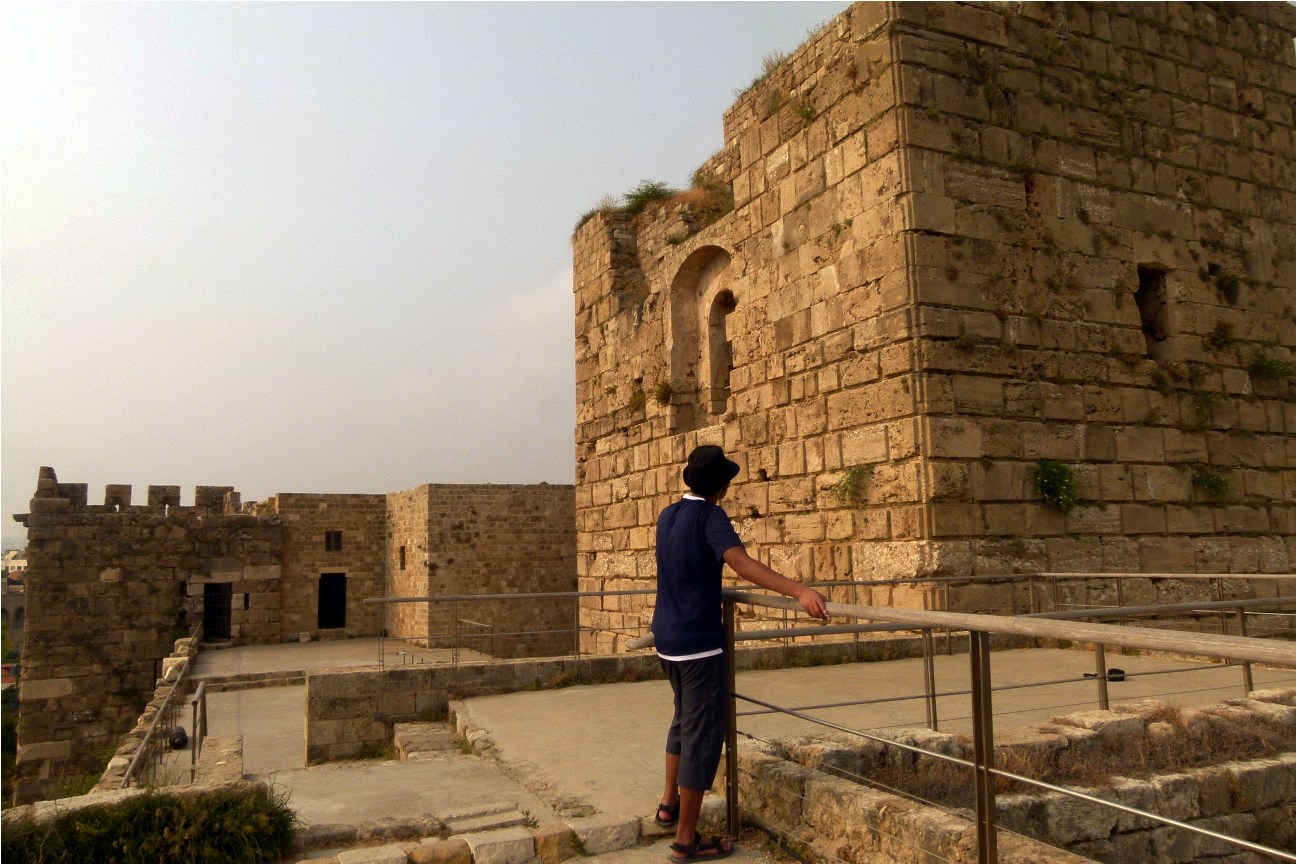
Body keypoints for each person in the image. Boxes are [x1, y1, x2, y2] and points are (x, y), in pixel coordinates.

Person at [651, 445, 829, 861]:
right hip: (699, 645)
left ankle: (668, 804)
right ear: (723, 487)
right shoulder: (710, 517)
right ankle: (685, 840)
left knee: (682, 721)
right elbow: (741, 563)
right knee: (701, 738)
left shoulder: (668, 515)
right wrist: (799, 591)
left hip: (667, 639)